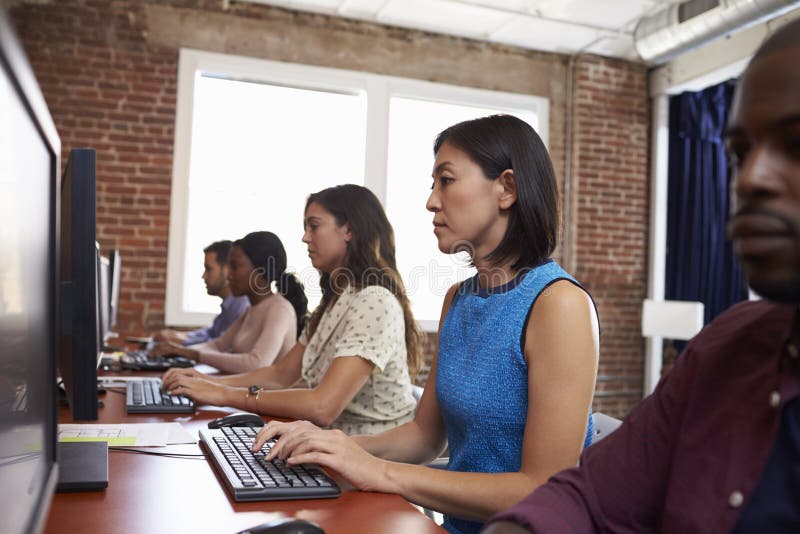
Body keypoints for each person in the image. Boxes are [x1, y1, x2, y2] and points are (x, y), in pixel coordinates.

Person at [483, 18, 800, 534]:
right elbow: (590, 496)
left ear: (508, 189)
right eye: (739, 153)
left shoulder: (557, 301)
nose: (750, 179)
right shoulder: (725, 349)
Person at [249, 115, 600, 534]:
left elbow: (542, 489)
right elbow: (425, 436)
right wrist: (334, 448)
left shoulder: (559, 304)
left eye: (446, 181)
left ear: (506, 188)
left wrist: (379, 472)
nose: (431, 201)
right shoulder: (459, 297)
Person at [162, 185, 425, 435]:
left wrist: (222, 395)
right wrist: (208, 383)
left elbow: (323, 406)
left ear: (349, 230)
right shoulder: (335, 301)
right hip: (330, 445)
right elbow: (281, 374)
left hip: (370, 458)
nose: (305, 237)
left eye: (314, 226)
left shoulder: (374, 300)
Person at [151, 231, 307, 373]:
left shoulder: (279, 310)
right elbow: (218, 345)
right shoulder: (252, 309)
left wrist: (192, 354)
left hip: (266, 401)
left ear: (260, 273)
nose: (228, 275)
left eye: (235, 267)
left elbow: (256, 364)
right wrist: (178, 350)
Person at [153, 240, 249, 346]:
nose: (203, 276)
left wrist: (182, 341)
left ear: (227, 270)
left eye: (208, 269)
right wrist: (179, 335)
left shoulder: (240, 307)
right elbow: (211, 333)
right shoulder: (229, 304)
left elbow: (221, 346)